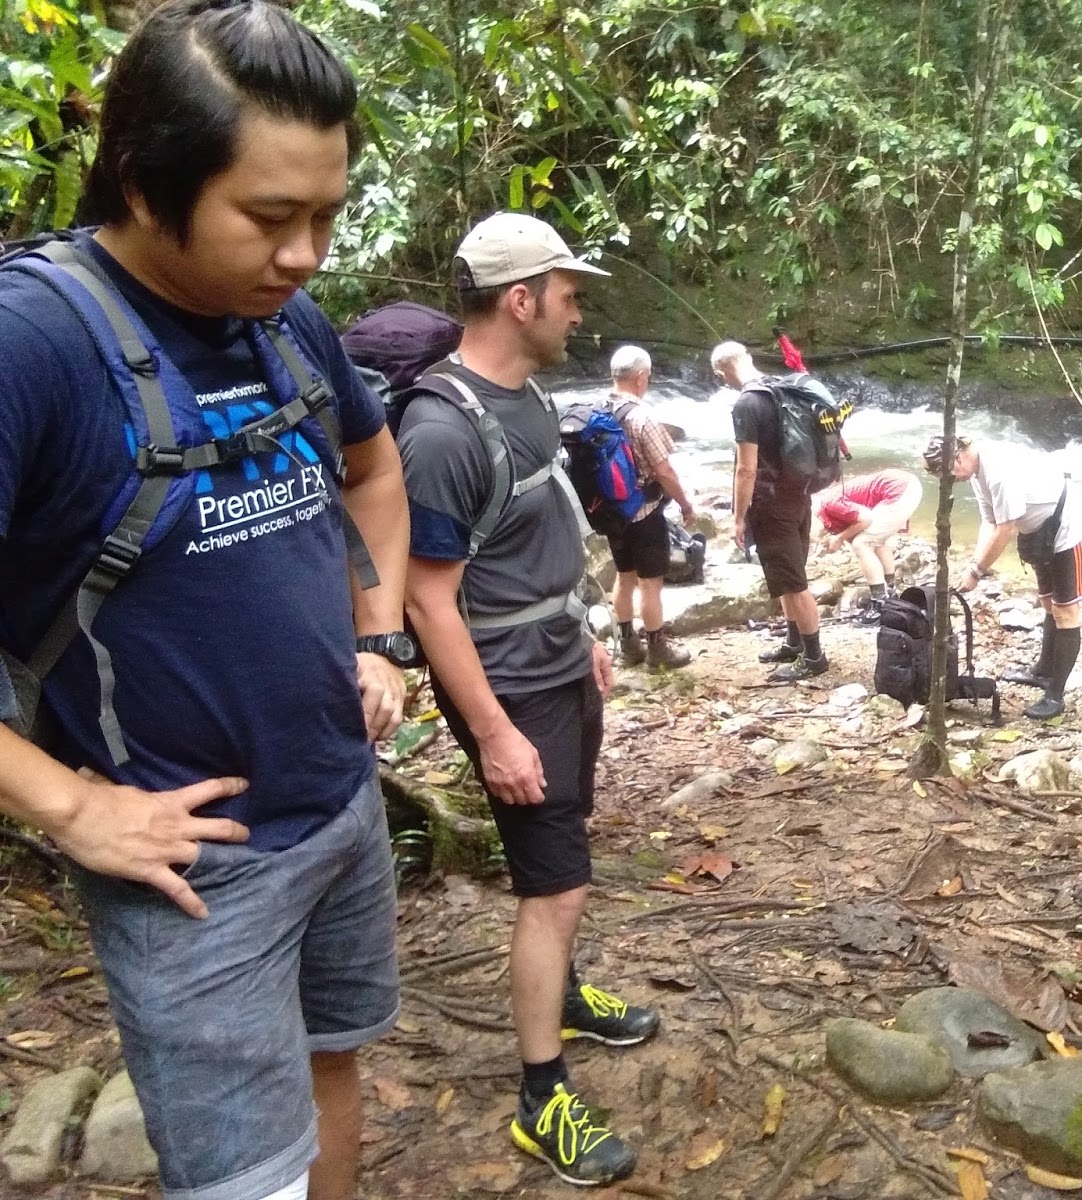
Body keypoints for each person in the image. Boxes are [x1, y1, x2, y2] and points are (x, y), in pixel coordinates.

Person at [0, 4, 411, 1199]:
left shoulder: (283, 323)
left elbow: (372, 468)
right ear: (140, 176)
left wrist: (376, 636)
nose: (307, 255)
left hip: (338, 800)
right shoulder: (34, 343)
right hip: (197, 868)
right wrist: (69, 806)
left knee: (338, 1059)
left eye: (326, 216)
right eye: (272, 217)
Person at [398, 212, 657, 1188]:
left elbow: (540, 535)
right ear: (522, 299)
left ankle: (565, 993)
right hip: (509, 688)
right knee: (554, 886)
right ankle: (540, 1092)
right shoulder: (439, 428)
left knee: (566, 856)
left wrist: (587, 630)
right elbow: (427, 599)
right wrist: (495, 732)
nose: (577, 309)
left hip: (557, 661)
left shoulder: (526, 396)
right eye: (569, 292)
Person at [922, 435, 1082, 721]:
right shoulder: (978, 472)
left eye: (948, 472)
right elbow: (989, 522)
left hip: (1068, 526)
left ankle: (1055, 695)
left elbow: (1006, 529)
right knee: (1048, 603)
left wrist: (977, 572)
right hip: (1040, 531)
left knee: (1066, 611)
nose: (951, 479)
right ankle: (1043, 670)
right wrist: (972, 564)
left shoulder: (998, 471)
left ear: (958, 457)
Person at [711, 340, 828, 679]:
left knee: (793, 582)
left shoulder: (747, 404)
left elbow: (745, 469)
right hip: (799, 495)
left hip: (771, 504)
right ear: (747, 358)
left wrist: (738, 517)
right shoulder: (783, 388)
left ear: (722, 373)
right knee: (784, 576)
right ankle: (793, 643)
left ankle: (814, 657)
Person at [603, 345, 695, 669]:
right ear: (640, 377)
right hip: (644, 512)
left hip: (612, 512)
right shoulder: (642, 416)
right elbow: (664, 470)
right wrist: (685, 504)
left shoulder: (598, 410)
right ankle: (658, 651)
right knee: (651, 584)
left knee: (623, 577)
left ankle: (628, 647)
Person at [815, 467, 924, 621]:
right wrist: (840, 537)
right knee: (878, 540)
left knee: (862, 543)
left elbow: (866, 518)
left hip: (898, 490)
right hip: (908, 485)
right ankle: (890, 593)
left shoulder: (829, 504)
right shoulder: (830, 510)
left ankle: (879, 605)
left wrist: (839, 538)